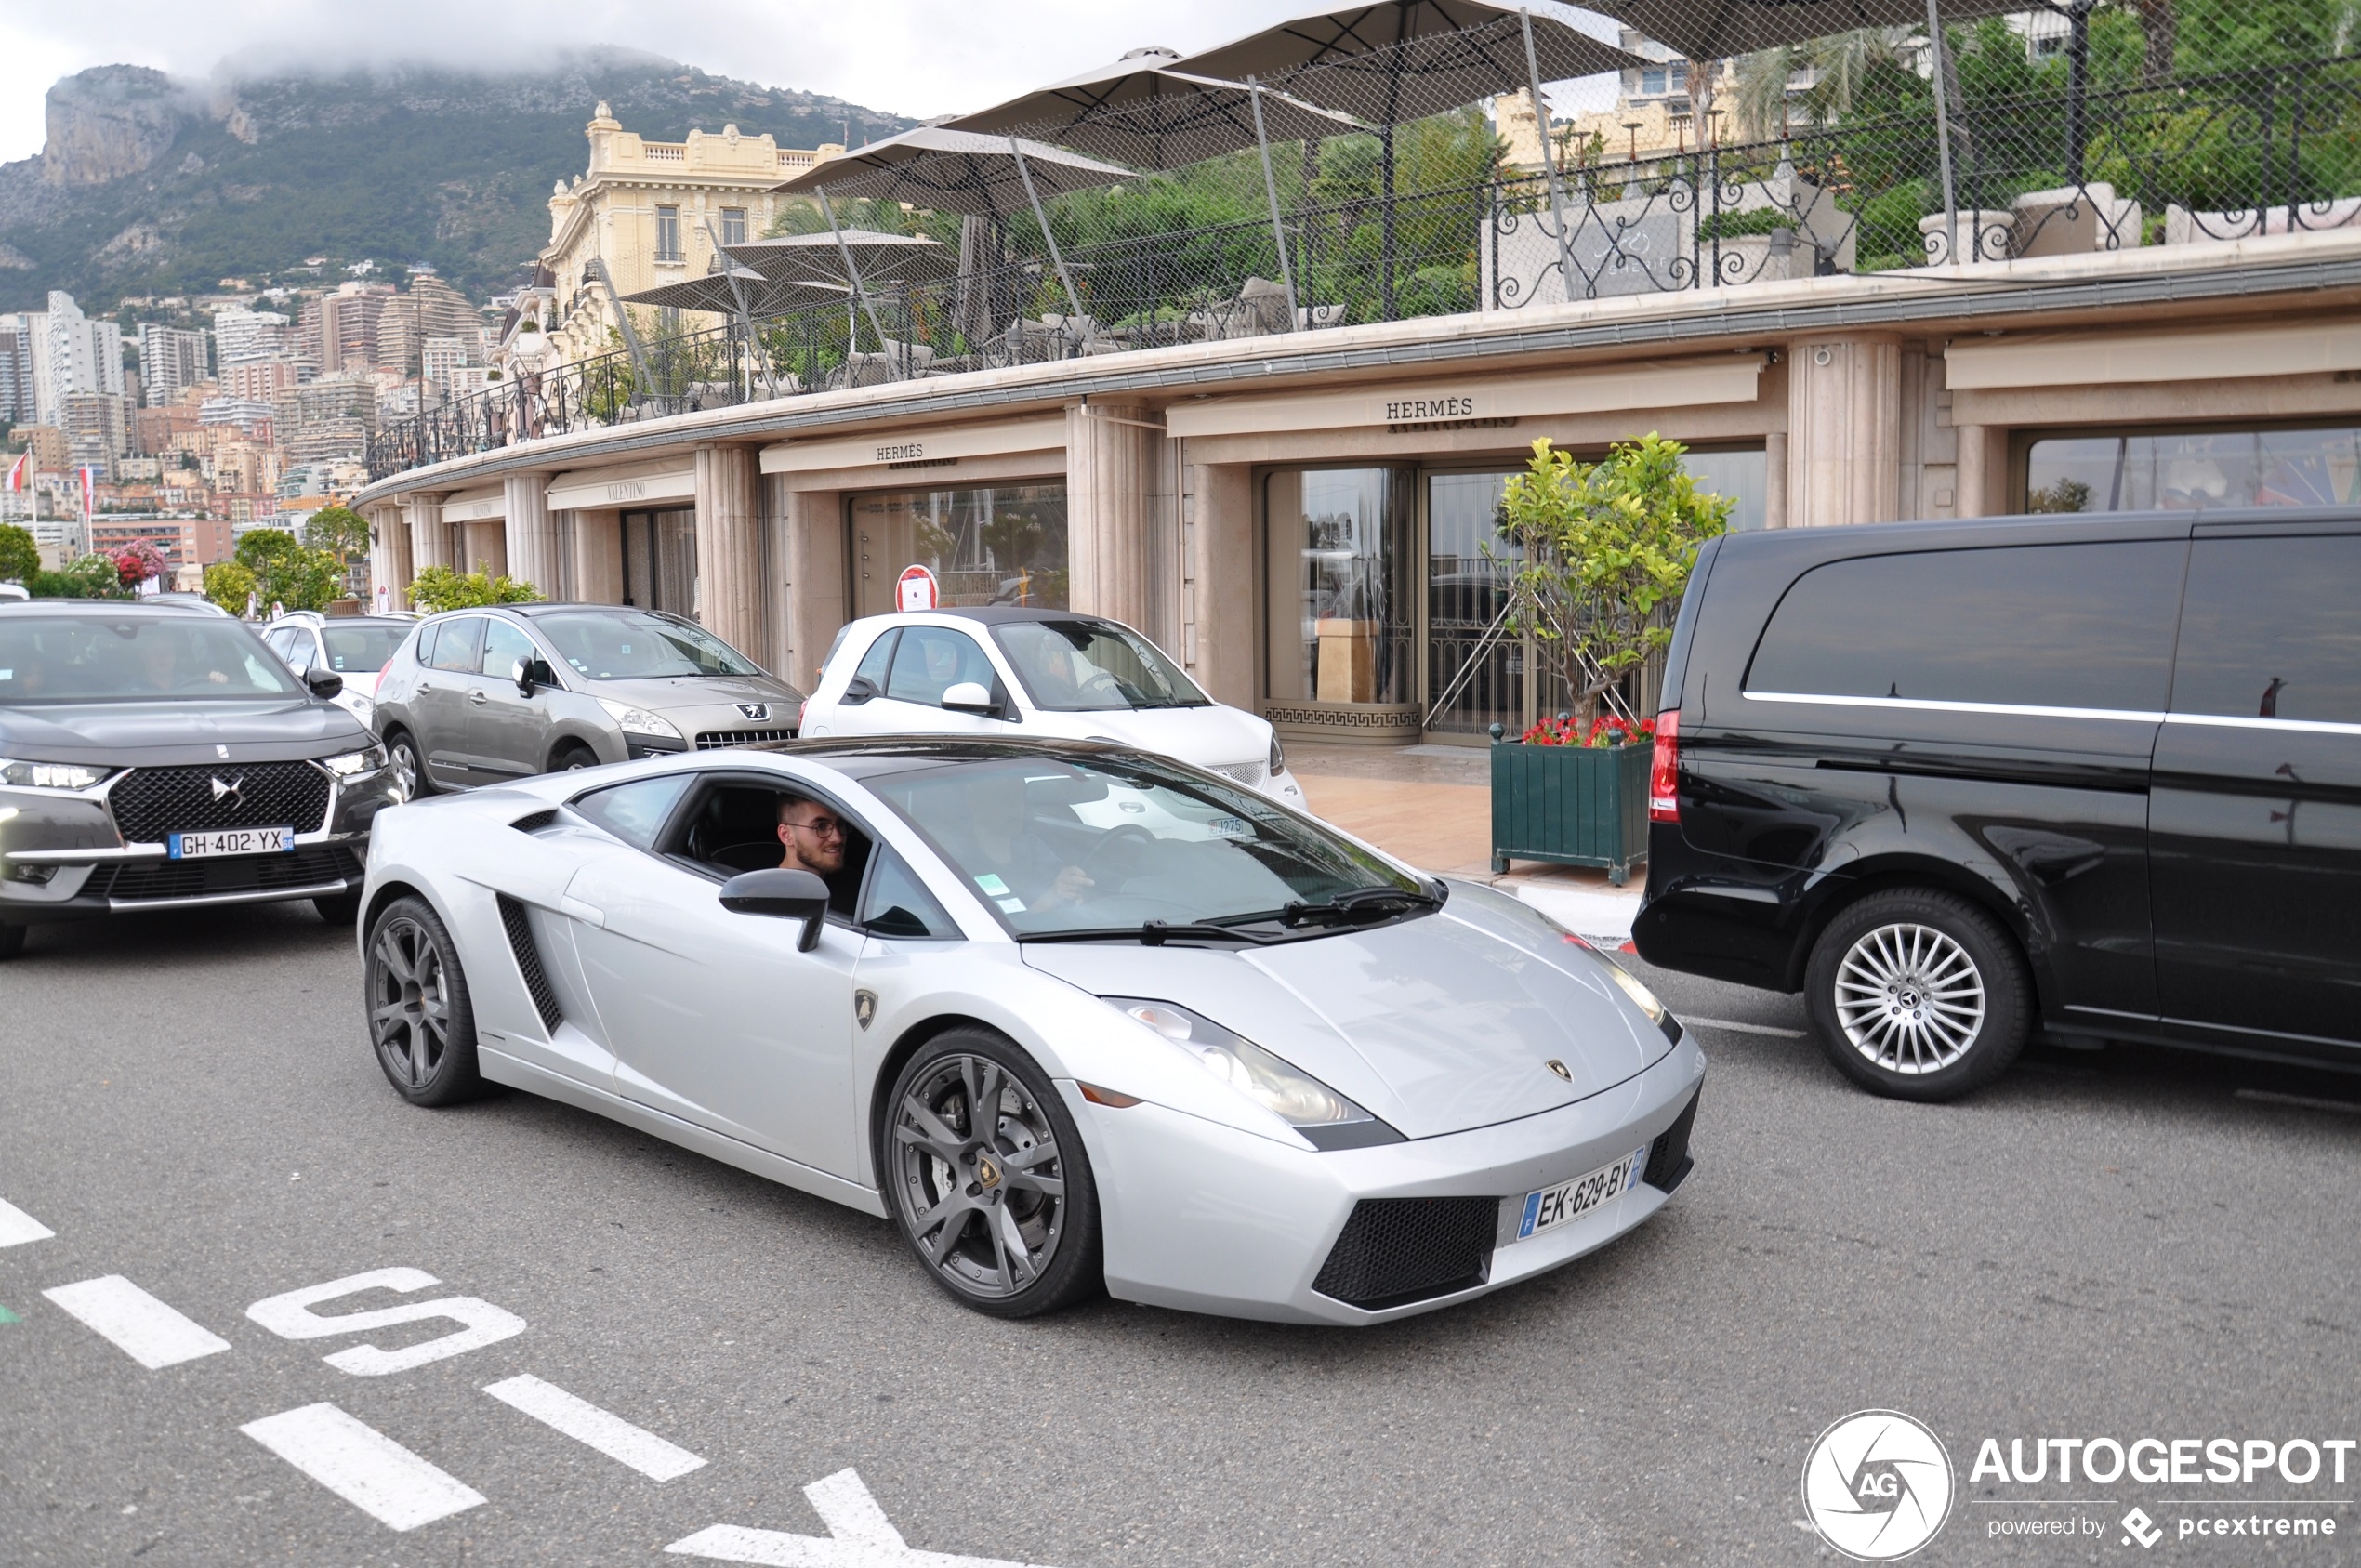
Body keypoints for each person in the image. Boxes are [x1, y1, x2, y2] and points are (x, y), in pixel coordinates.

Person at [775, 794, 849, 879]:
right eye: (821, 827)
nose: (837, 838)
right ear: (786, 835)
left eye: (840, 824)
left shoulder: (854, 882)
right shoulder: (766, 887)